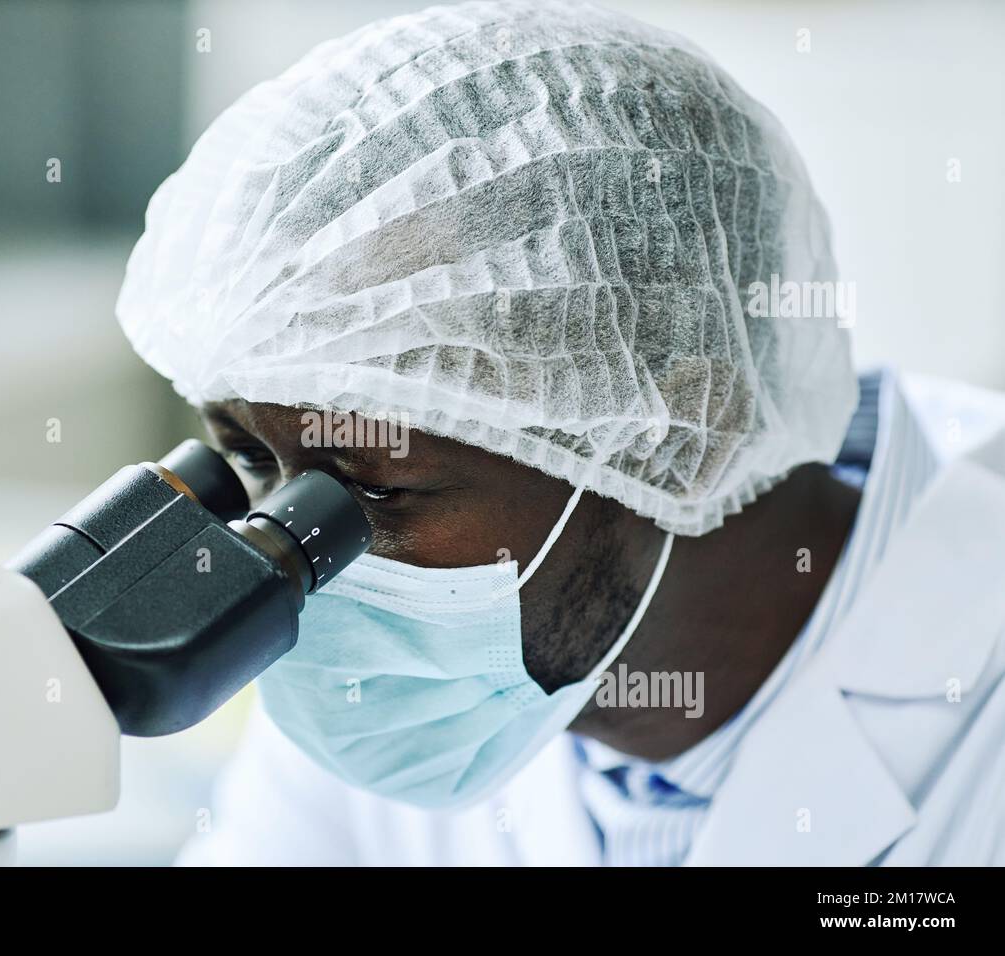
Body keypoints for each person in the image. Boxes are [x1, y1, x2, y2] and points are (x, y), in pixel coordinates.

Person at [115, 1, 1005, 865]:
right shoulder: (381, 698)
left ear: (680, 429)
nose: (292, 554)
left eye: (374, 488)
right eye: (247, 457)